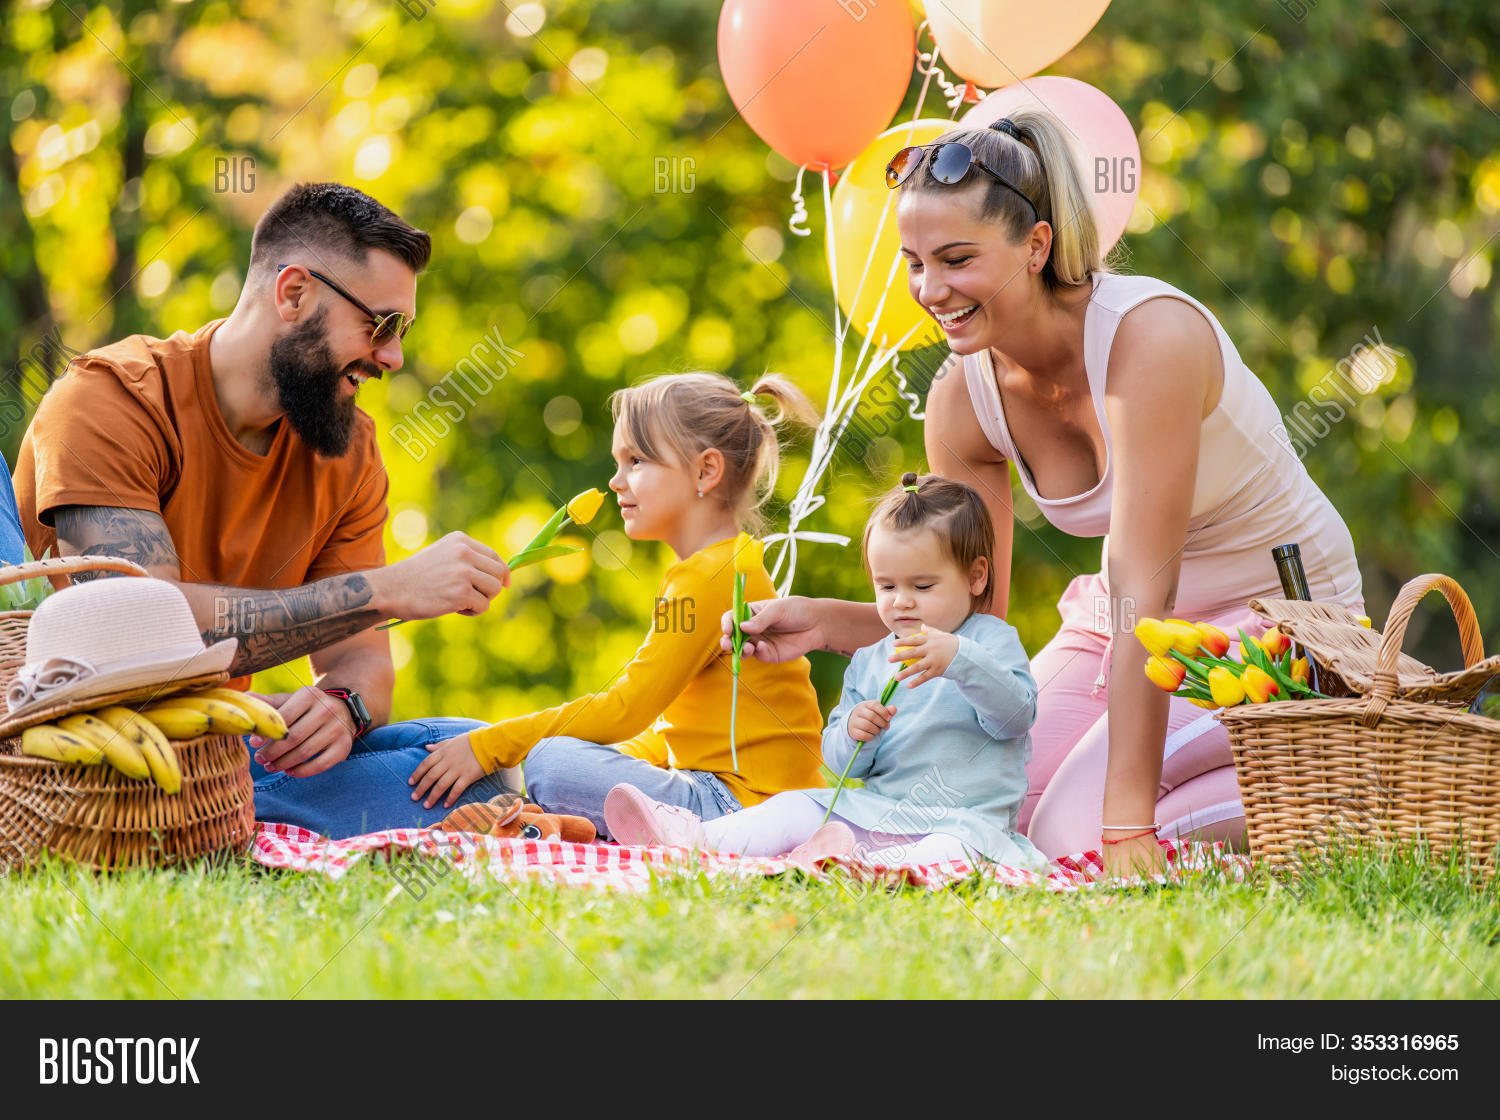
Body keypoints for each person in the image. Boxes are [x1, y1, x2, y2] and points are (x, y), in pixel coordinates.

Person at [723, 111, 1364, 874]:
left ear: (1037, 246)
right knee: (996, 808)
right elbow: (970, 622)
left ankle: (1353, 798)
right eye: (914, 262)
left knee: (1072, 836)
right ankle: (1237, 802)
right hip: (1117, 622)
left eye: (957, 259)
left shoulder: (1150, 339)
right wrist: (829, 622)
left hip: (1273, 620)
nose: (931, 289)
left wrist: (1126, 830)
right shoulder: (963, 402)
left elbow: (1143, 594)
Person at [11, 182, 517, 838]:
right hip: (87, 756)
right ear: (293, 293)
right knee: (464, 782)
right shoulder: (110, 402)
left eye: (401, 332)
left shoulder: (348, 452)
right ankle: (234, 822)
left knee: (481, 754)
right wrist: (387, 590)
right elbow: (134, 632)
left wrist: (341, 709)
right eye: (381, 325)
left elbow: (361, 664)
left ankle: (240, 817)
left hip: (225, 748)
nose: (392, 356)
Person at [408, 372, 828, 836]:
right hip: (744, 797)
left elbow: (625, 707)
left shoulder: (708, 578)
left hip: (737, 808)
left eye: (636, 461)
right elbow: (666, 729)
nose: (615, 481)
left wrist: (489, 745)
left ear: (706, 471)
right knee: (567, 753)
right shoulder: (721, 567)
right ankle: (582, 825)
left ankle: (630, 828)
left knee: (550, 762)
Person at [607, 473, 1047, 872]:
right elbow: (839, 762)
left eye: (923, 586)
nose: (901, 602)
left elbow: (1016, 716)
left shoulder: (989, 640)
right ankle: (695, 839)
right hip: (878, 811)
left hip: (965, 823)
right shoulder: (872, 659)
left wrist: (959, 659)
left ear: (976, 576)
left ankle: (862, 868)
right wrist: (857, 734)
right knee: (797, 805)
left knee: (943, 854)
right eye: (887, 586)